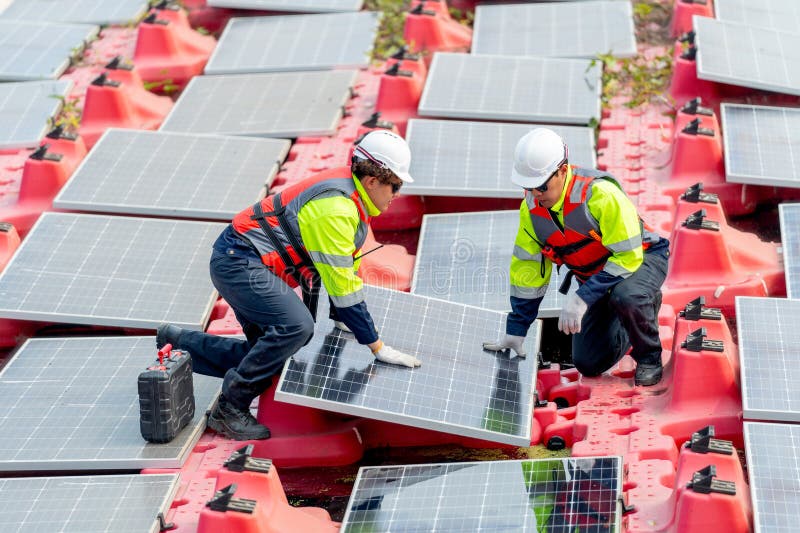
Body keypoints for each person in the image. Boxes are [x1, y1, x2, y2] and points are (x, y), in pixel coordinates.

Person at [157, 130, 422, 441]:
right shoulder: (336, 210)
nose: (398, 194)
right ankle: (230, 408)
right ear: (373, 181)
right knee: (296, 327)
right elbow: (341, 286)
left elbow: (343, 271)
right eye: (396, 185)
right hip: (239, 262)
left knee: (270, 356)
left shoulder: (352, 200)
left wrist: (343, 321)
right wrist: (376, 345)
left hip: (247, 261)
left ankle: (178, 345)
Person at [483, 128, 669, 387]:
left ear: (562, 170)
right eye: (528, 187)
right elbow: (528, 270)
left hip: (642, 260)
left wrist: (582, 298)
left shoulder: (600, 194)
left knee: (627, 295)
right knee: (588, 362)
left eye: (541, 186)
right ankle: (631, 317)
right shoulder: (531, 210)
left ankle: (649, 356)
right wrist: (517, 328)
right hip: (597, 279)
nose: (535, 194)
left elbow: (628, 256)